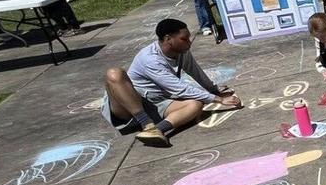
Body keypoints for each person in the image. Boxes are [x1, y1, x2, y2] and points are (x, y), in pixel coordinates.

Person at [101, 18, 240, 147]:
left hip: (156, 103)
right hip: (127, 106)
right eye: (184, 39)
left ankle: (156, 130)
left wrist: (214, 90)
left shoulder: (181, 51)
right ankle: (146, 124)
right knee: (114, 73)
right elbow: (180, 89)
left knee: (196, 104)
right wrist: (219, 100)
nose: (189, 42)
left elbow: (196, 71)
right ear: (168, 39)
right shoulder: (150, 59)